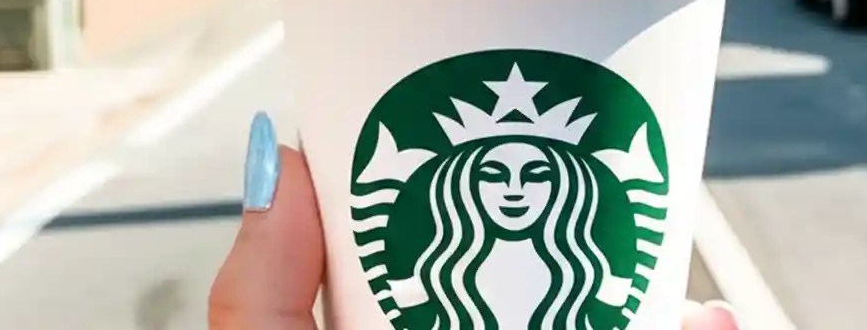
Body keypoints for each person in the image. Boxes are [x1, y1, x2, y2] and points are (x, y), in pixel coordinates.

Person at [208, 112, 741, 330]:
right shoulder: (421, 290)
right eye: (492, 175)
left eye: (535, 174)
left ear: (567, 188)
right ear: (461, 186)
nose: (513, 190)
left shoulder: (601, 290)